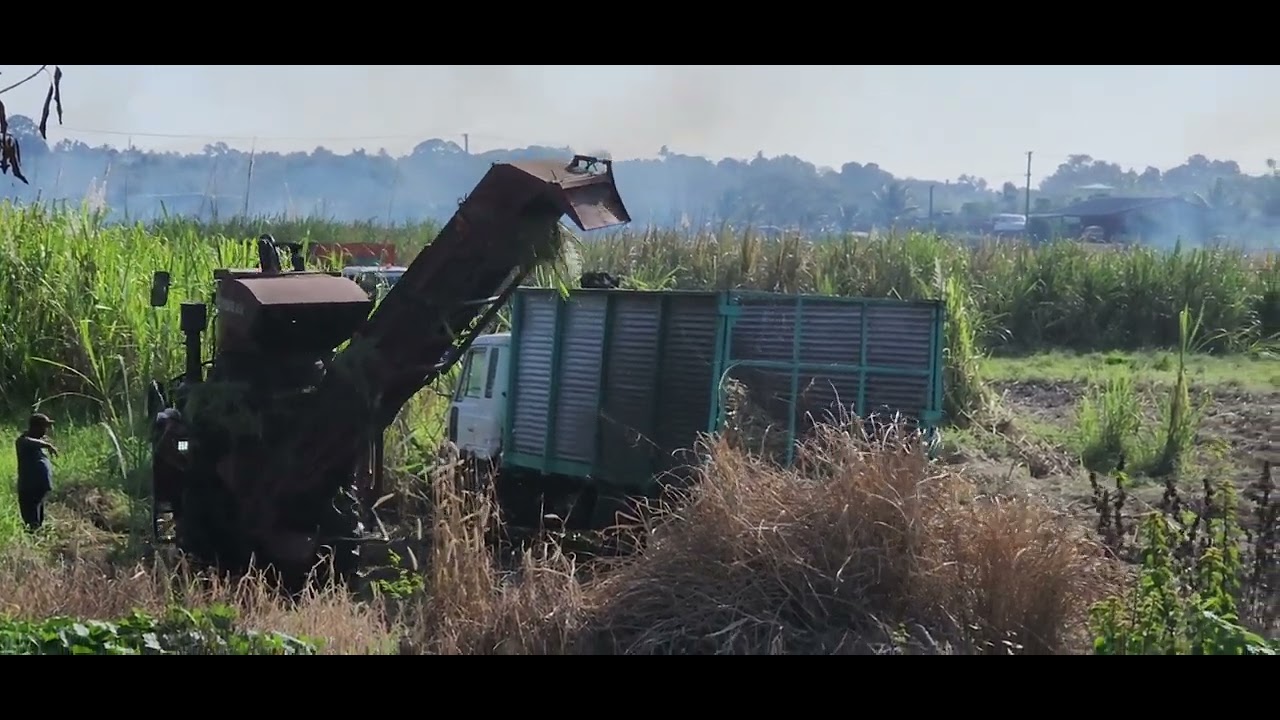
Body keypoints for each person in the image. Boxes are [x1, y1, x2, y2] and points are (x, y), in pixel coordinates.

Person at [15, 413, 58, 532]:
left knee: (39, 517)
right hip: (28, 487)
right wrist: (47, 445)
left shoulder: (39, 441)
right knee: (31, 519)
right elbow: (28, 441)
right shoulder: (23, 441)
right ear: (35, 428)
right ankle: (33, 543)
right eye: (43, 427)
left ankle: (38, 537)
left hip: (39, 487)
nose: (45, 430)